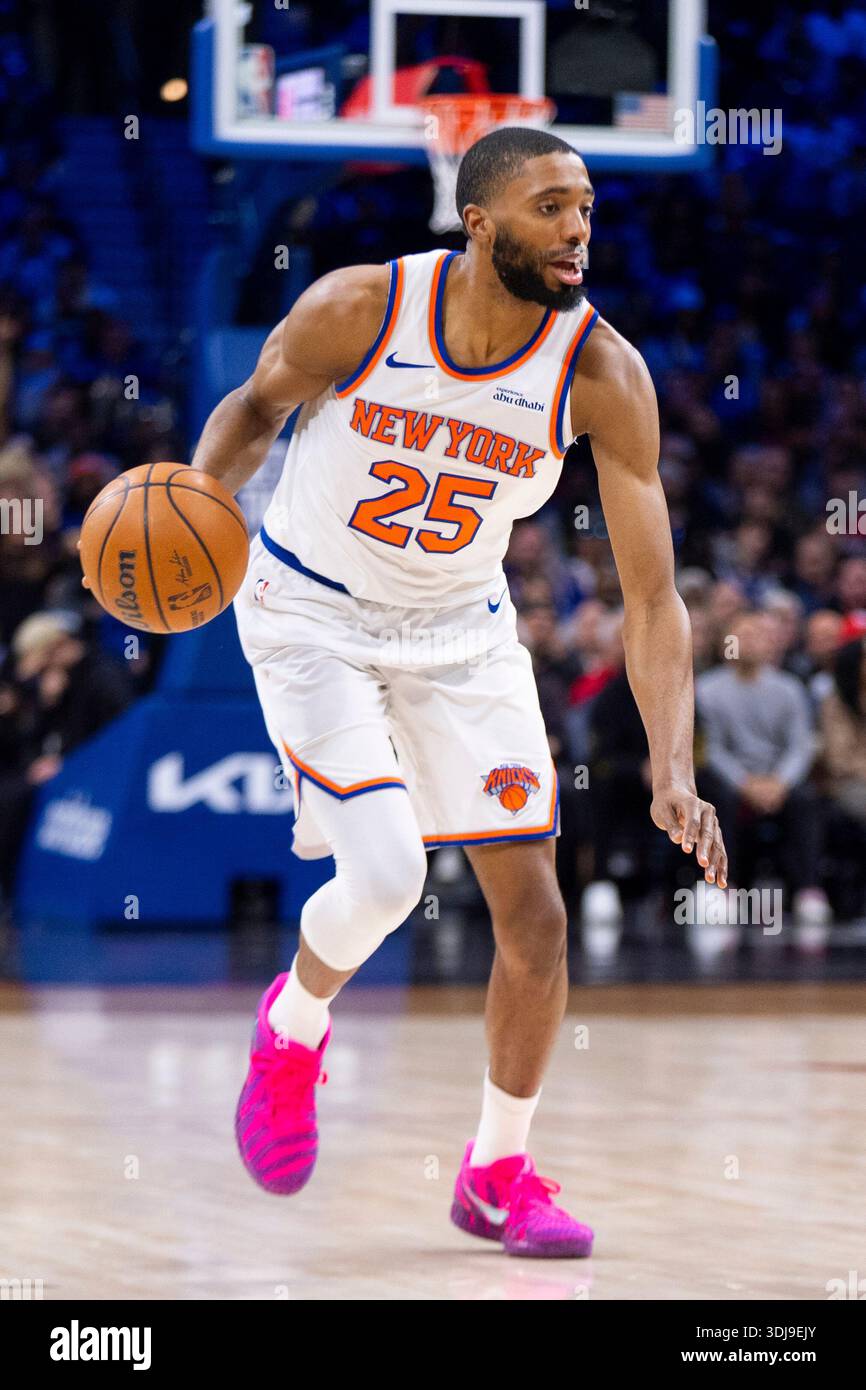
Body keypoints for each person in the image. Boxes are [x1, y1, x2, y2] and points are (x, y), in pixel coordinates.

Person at [191, 127, 726, 1259]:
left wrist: (672, 767)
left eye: (583, 206)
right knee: (384, 873)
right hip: (310, 611)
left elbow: (651, 599)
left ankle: (495, 1173)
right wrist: (195, 508)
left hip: (460, 628)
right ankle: (291, 1030)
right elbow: (251, 412)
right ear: (477, 221)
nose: (576, 227)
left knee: (534, 916)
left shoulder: (601, 372)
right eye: (547, 207)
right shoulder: (360, 309)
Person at [696, 609, 829, 926]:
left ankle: (809, 889)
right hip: (733, 780)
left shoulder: (789, 689)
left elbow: (800, 745)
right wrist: (745, 782)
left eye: (757, 636)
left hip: (777, 779)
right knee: (716, 797)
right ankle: (725, 886)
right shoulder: (706, 689)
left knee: (807, 799)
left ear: (771, 645)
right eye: (740, 635)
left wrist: (780, 781)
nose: (748, 642)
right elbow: (710, 748)